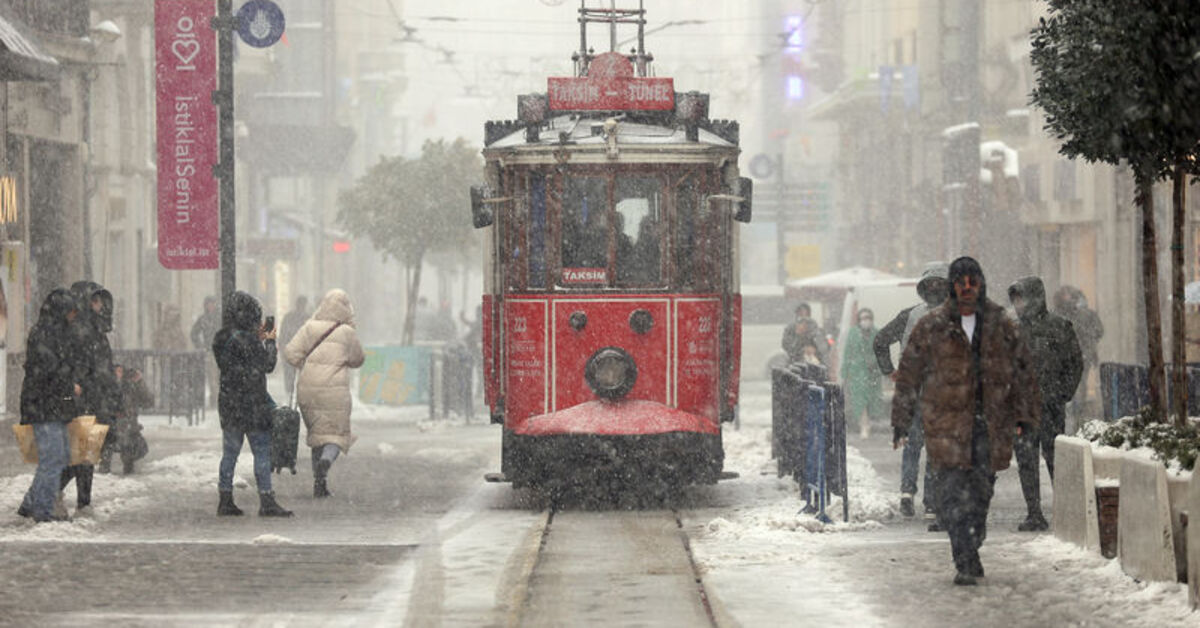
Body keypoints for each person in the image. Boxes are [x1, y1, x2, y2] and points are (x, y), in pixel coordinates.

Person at [891, 256, 1040, 585]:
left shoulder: (1001, 324)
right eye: (961, 283)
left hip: (989, 426)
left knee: (980, 493)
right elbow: (909, 374)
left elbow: (1023, 373)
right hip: (946, 427)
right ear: (952, 287)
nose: (967, 289)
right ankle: (965, 556)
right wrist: (901, 419)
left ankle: (973, 540)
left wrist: (1025, 416)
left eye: (973, 282)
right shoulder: (931, 325)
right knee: (952, 495)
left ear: (981, 284)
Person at [874, 261, 949, 520]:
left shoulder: (909, 315)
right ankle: (930, 502)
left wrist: (890, 370)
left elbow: (880, 340)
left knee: (912, 444)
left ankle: (908, 493)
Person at [1008, 276, 1083, 531]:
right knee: (1027, 461)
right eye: (1015, 299)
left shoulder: (1060, 327)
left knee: (1054, 458)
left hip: (1050, 406)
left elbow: (1074, 363)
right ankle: (1034, 512)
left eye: (1021, 298)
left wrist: (1062, 393)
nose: (1018, 304)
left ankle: (1066, 511)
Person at [213, 291, 292, 517]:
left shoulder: (222, 338)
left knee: (230, 454)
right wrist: (268, 342)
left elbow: (235, 365)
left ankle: (225, 498)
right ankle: (266, 500)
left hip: (229, 404)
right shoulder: (247, 340)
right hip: (253, 405)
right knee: (261, 452)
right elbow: (266, 365)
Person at [284, 289, 365, 498]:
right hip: (334, 390)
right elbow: (358, 359)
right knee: (336, 435)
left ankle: (319, 484)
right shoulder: (347, 332)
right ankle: (326, 462)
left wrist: (308, 364)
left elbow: (290, 353)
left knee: (318, 434)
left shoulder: (309, 327)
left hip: (308, 388)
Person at [17, 289, 80, 523]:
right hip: (44, 405)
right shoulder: (46, 335)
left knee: (59, 456)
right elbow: (49, 369)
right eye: (70, 312)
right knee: (53, 459)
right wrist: (69, 384)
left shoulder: (55, 333)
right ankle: (43, 510)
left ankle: (32, 503)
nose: (73, 317)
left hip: (50, 404)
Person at [61, 281, 121, 511]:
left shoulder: (94, 330)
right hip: (85, 400)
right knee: (82, 455)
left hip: (94, 398)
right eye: (95, 301)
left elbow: (99, 364)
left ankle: (79, 500)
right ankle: (64, 496)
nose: (100, 306)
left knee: (85, 455)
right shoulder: (82, 331)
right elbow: (84, 366)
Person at [1052, 286, 1103, 405]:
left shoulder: (1058, 315)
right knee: (1079, 381)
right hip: (1080, 354)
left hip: (1074, 355)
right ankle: (1076, 407)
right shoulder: (1085, 314)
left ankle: (1074, 406)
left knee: (1073, 381)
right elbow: (1098, 331)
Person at [841, 308, 884, 439]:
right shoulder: (853, 334)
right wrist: (845, 373)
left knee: (872, 400)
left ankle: (868, 423)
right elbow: (848, 353)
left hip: (873, 373)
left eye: (868, 318)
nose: (866, 321)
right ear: (859, 320)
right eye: (863, 318)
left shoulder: (877, 333)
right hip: (857, 372)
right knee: (860, 401)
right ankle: (863, 426)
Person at [113, 364, 154, 474]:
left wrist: (139, 382)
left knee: (129, 446)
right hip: (111, 422)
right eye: (116, 371)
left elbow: (148, 401)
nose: (118, 374)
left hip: (128, 424)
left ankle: (128, 467)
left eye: (121, 371)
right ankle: (106, 470)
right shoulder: (108, 384)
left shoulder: (131, 386)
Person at [191, 296, 222, 407]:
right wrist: (201, 346)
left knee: (219, 376)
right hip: (210, 351)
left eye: (212, 304)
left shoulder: (220, 318)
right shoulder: (203, 319)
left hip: (221, 351)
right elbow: (194, 333)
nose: (210, 306)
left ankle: (219, 398)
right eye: (208, 304)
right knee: (212, 376)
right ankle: (215, 398)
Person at [279, 296, 310, 395]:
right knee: (298, 376)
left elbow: (283, 334)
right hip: (300, 351)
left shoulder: (289, 317)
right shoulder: (307, 318)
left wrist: (282, 347)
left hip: (293, 350)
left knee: (290, 376)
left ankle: (291, 393)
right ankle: (294, 393)